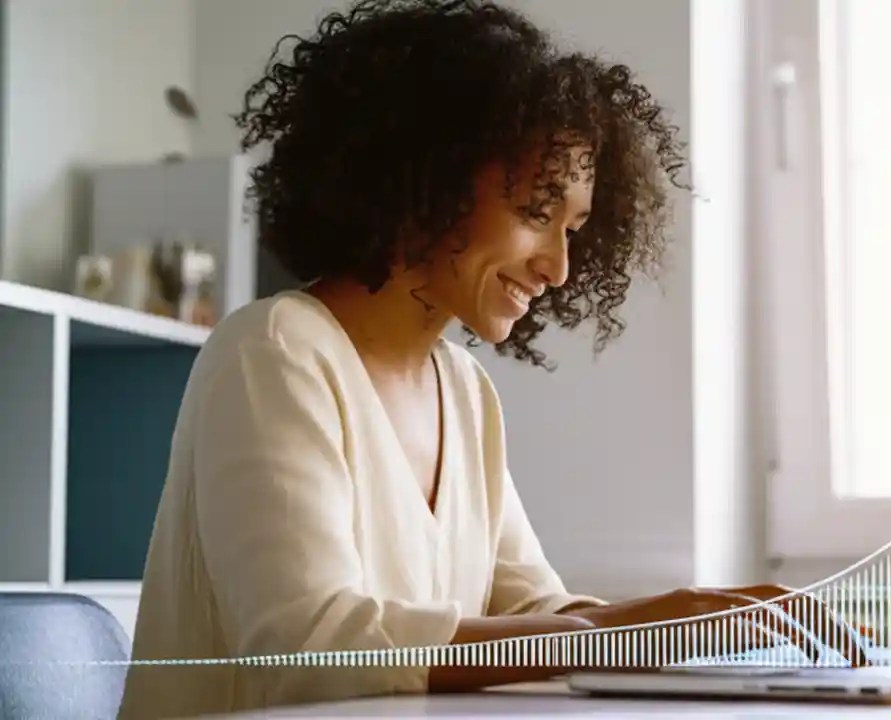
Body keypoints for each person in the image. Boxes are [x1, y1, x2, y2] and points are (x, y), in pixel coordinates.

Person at [118, 2, 846, 717]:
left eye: (573, 228)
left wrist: (680, 622)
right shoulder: (275, 352)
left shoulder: (463, 389)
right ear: (426, 177)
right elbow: (313, 649)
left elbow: (532, 609)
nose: (560, 267)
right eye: (537, 213)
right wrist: (618, 633)